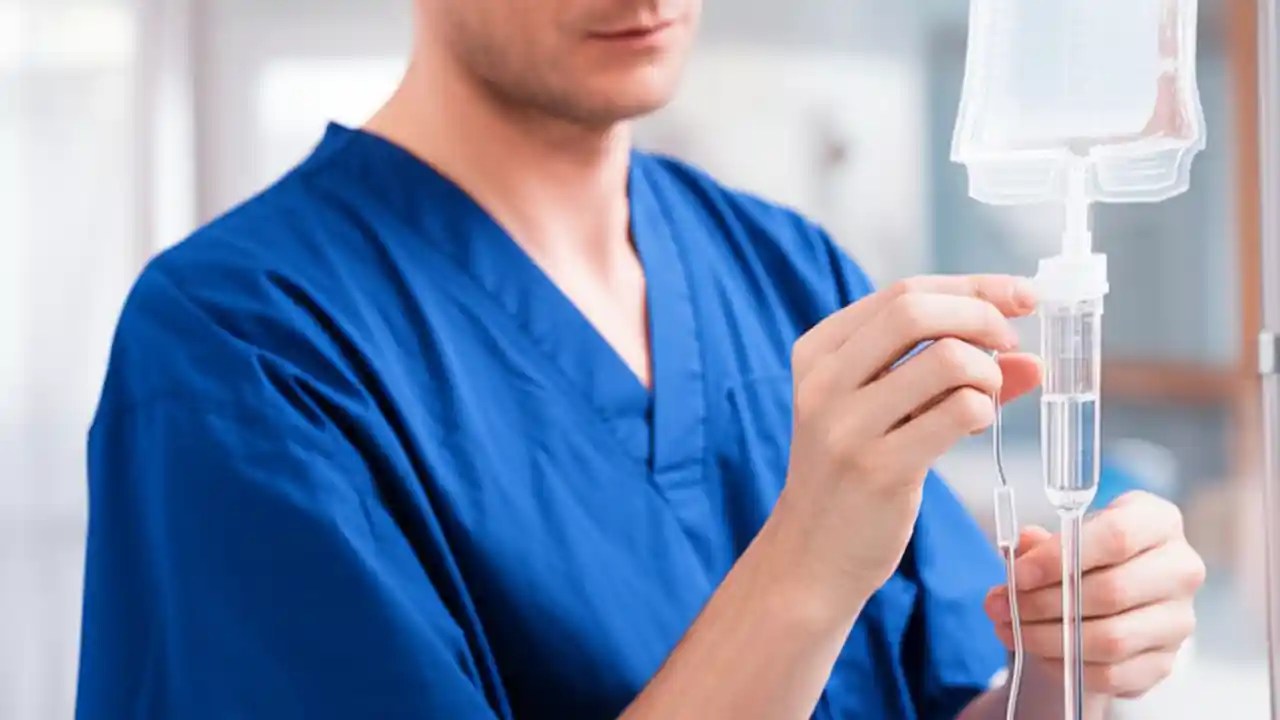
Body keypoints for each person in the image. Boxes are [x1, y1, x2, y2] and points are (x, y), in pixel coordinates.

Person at [77, 1, 1206, 718]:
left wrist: (1064, 674)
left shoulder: (786, 270)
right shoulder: (241, 344)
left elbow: (944, 696)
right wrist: (802, 567)